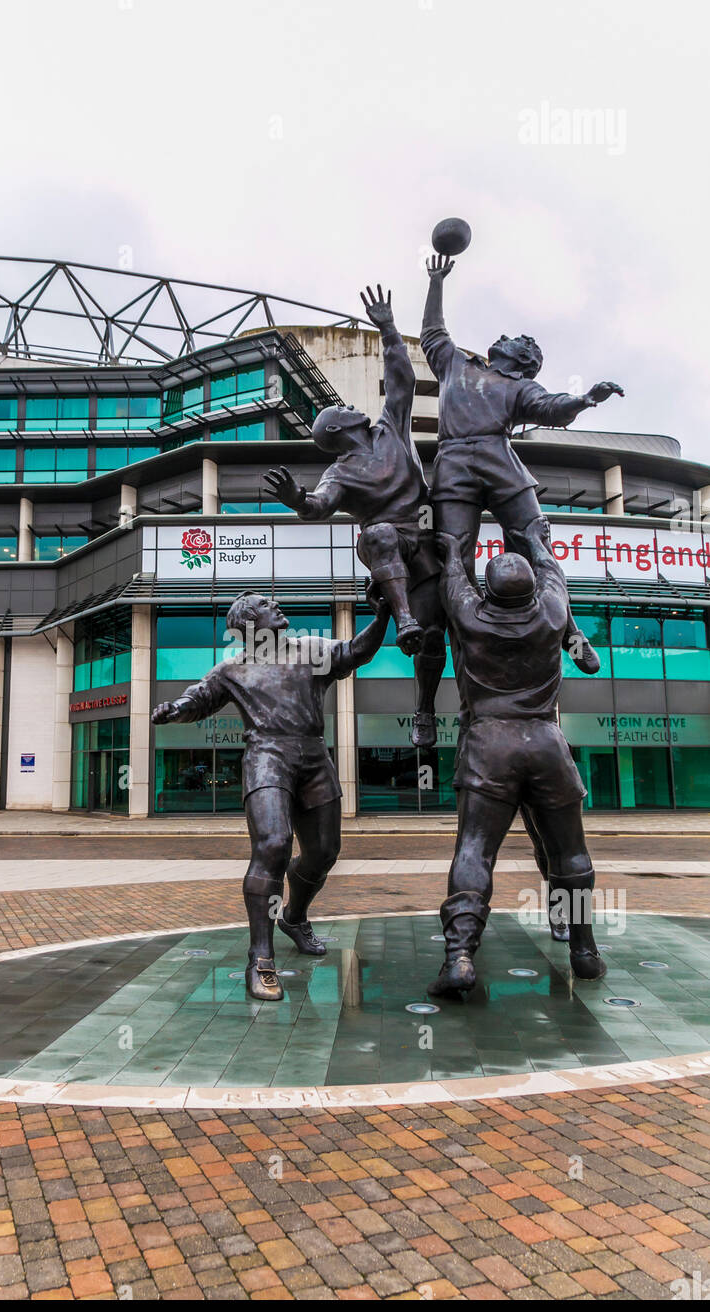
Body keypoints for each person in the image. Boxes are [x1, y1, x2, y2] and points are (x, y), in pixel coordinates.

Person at [151, 588, 389, 1000]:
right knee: (274, 844)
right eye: (264, 604)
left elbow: (356, 651)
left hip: (313, 755)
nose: (275, 605)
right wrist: (175, 710)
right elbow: (199, 697)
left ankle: (294, 917)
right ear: (247, 624)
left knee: (324, 852)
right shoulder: (233, 669)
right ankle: (260, 958)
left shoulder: (311, 650)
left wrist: (383, 615)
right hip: (267, 756)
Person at [422, 252, 624, 674]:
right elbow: (432, 332)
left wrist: (585, 398)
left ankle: (570, 632)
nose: (506, 336)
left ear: (523, 359)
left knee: (536, 543)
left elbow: (551, 407)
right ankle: (463, 651)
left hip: (499, 461)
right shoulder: (456, 363)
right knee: (454, 559)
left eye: (518, 340)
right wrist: (436, 281)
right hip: (454, 466)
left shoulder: (519, 386)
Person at [429, 515, 607, 997]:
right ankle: (584, 950)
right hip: (546, 742)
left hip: (490, 744)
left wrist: (450, 549)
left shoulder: (470, 616)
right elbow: (552, 569)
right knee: (570, 851)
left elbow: (452, 580)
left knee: (474, 850)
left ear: (490, 592)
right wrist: (537, 539)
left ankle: (460, 957)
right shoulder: (552, 610)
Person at [264, 285, 446, 752]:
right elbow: (319, 506)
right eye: (342, 409)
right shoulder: (339, 472)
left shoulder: (391, 428)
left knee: (443, 632)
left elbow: (400, 376)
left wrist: (387, 327)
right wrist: (295, 499)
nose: (350, 406)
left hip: (433, 532)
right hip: (395, 549)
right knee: (380, 539)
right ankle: (421, 696)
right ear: (338, 428)